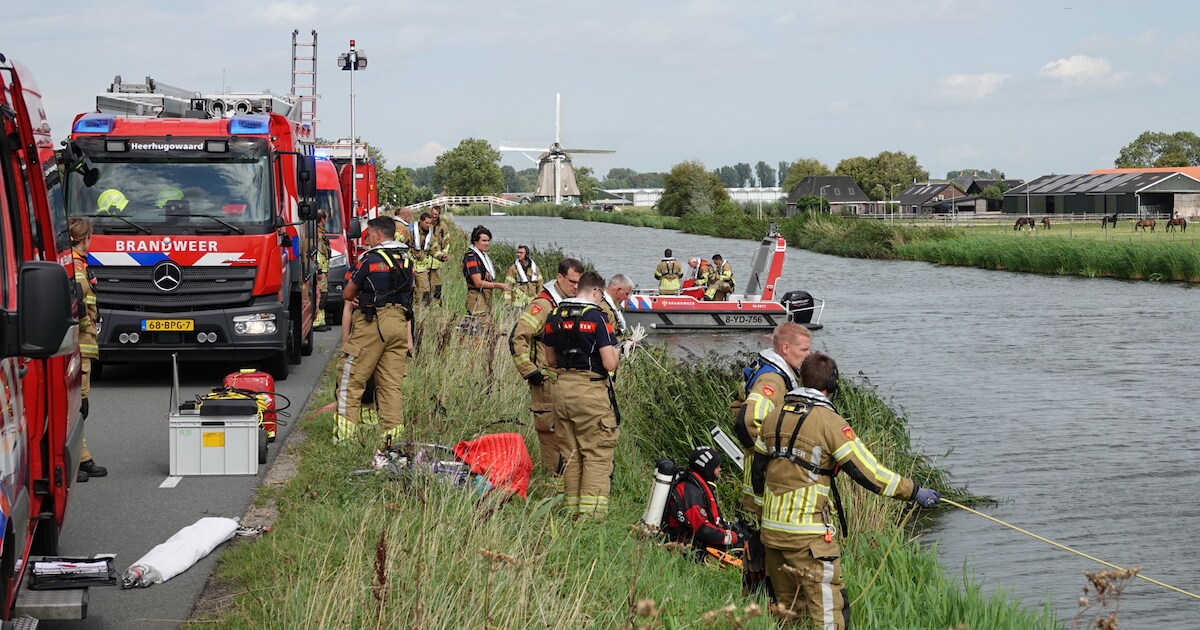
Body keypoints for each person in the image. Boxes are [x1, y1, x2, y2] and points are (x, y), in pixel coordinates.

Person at [753, 352, 942, 628]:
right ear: (832, 387)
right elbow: (869, 472)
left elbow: (757, 472)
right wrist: (913, 491)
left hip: (772, 533)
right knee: (829, 613)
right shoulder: (830, 423)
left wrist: (761, 515)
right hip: (808, 538)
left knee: (789, 611)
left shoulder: (773, 416)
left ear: (801, 379)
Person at [542, 271, 620, 519]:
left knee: (571, 454)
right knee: (597, 454)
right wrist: (623, 350)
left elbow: (550, 359)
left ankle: (571, 511)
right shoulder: (598, 318)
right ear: (597, 291)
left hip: (561, 390)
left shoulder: (554, 315)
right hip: (590, 391)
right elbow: (609, 364)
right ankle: (590, 519)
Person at [333, 217, 415, 447]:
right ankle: (392, 442)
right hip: (398, 323)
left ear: (378, 235)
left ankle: (345, 440)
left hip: (372, 323)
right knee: (391, 385)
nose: (366, 239)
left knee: (350, 380)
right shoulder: (407, 260)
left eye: (368, 235)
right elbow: (410, 297)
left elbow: (348, 294)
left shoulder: (370, 260)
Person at [509, 257, 584, 480]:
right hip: (544, 382)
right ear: (559, 277)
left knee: (568, 432)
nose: (575, 287)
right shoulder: (542, 305)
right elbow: (517, 338)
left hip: (565, 382)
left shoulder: (568, 303)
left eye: (579, 283)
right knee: (550, 433)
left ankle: (566, 481)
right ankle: (552, 482)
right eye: (571, 282)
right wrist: (530, 371)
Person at [69, 218, 108, 482]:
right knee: (76, 407)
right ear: (86, 238)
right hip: (77, 348)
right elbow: (79, 306)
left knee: (79, 406)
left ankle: (81, 459)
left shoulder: (77, 264)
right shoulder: (75, 267)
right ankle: (75, 462)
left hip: (81, 347)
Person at [662, 447, 742, 558]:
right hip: (683, 544)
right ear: (707, 469)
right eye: (717, 466)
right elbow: (702, 529)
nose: (720, 469)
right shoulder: (691, 491)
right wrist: (731, 537)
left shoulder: (697, 486)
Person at [462, 225, 510, 320]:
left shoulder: (482, 256)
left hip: (486, 298)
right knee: (480, 329)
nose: (487, 243)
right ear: (475, 241)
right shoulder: (471, 257)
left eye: (488, 241)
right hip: (476, 298)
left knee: (489, 327)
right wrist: (499, 285)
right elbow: (478, 283)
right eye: (484, 241)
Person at [409, 212, 439, 306]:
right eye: (426, 223)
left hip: (421, 267)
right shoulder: (410, 231)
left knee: (425, 290)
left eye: (430, 223)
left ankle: (422, 311)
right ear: (421, 221)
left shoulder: (429, 234)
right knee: (410, 290)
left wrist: (441, 256)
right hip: (409, 266)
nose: (428, 225)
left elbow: (433, 249)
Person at [598, 273, 632, 339]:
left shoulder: (610, 303)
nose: (627, 298)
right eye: (626, 294)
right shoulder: (605, 308)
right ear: (618, 290)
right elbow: (607, 338)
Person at [428, 205, 450, 306]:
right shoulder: (427, 223)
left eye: (436, 214)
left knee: (437, 283)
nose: (434, 216)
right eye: (432, 214)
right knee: (425, 284)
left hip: (437, 259)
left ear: (439, 214)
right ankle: (426, 303)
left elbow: (447, 241)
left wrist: (444, 253)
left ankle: (436, 304)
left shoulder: (443, 226)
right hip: (426, 259)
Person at [314, 209, 332, 331]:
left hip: (323, 270)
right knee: (320, 296)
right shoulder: (319, 235)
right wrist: (320, 270)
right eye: (325, 219)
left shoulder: (320, 233)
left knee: (323, 295)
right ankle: (317, 322)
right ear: (322, 219)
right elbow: (319, 253)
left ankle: (321, 321)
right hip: (321, 270)